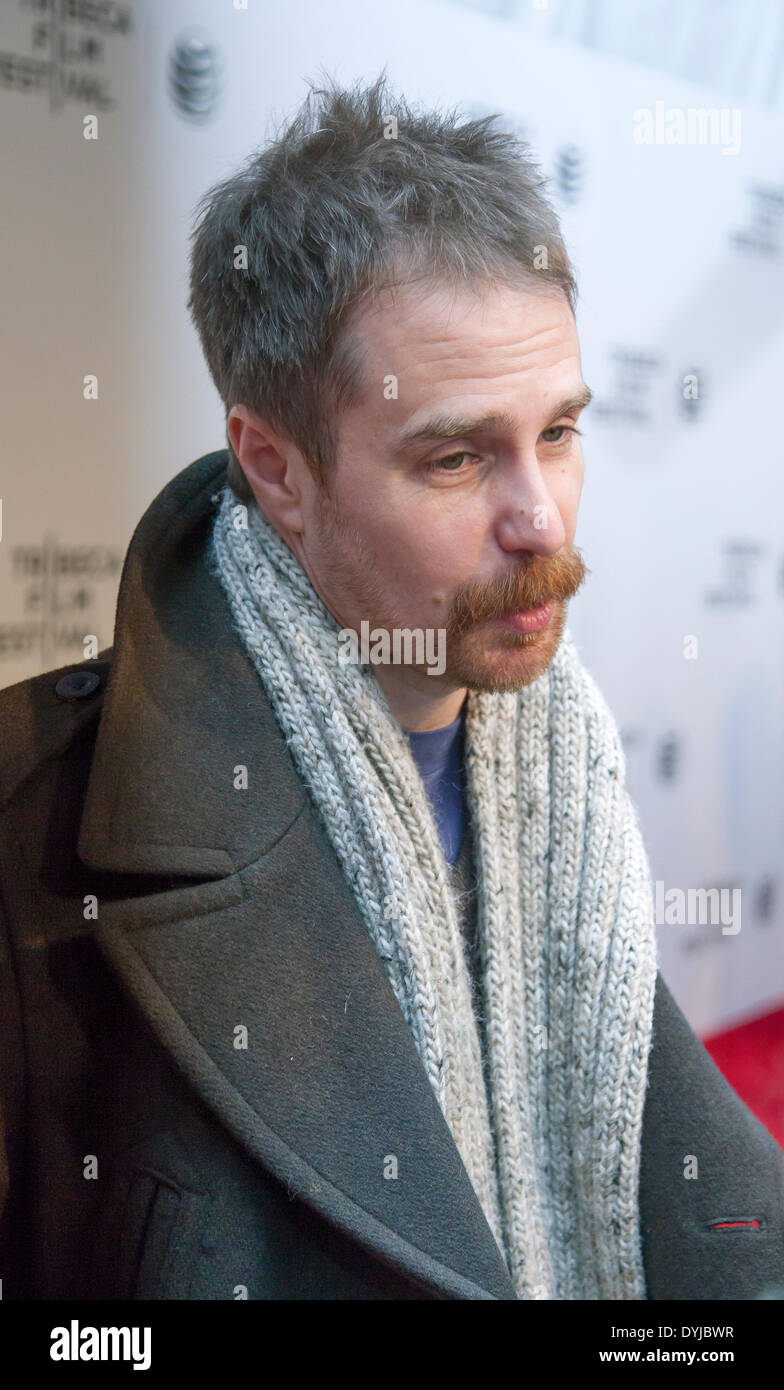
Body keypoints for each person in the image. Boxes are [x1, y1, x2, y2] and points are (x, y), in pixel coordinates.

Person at [1, 70, 782, 1302]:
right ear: (277, 468)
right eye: (458, 455)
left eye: (561, 434)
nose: (540, 520)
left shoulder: (563, 782)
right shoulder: (32, 830)